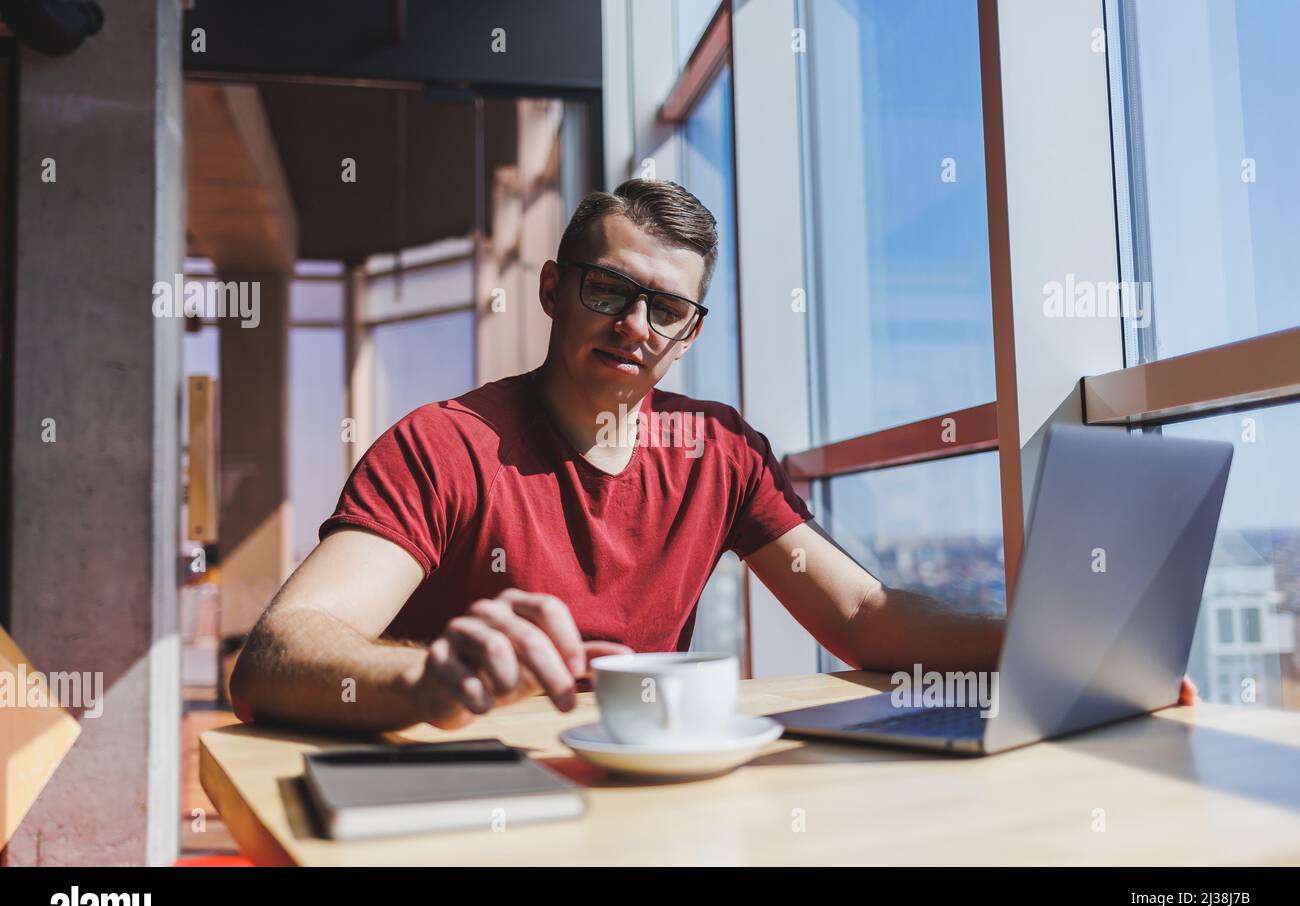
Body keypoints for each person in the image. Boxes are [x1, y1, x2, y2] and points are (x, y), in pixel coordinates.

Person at [230, 178, 1194, 734]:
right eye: (609, 290)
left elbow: (861, 614)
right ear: (554, 291)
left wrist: (1048, 647)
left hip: (645, 790)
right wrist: (430, 677)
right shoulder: (443, 448)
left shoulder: (720, 451)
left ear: (688, 334)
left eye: (667, 309)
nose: (635, 325)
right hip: (473, 803)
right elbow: (275, 656)